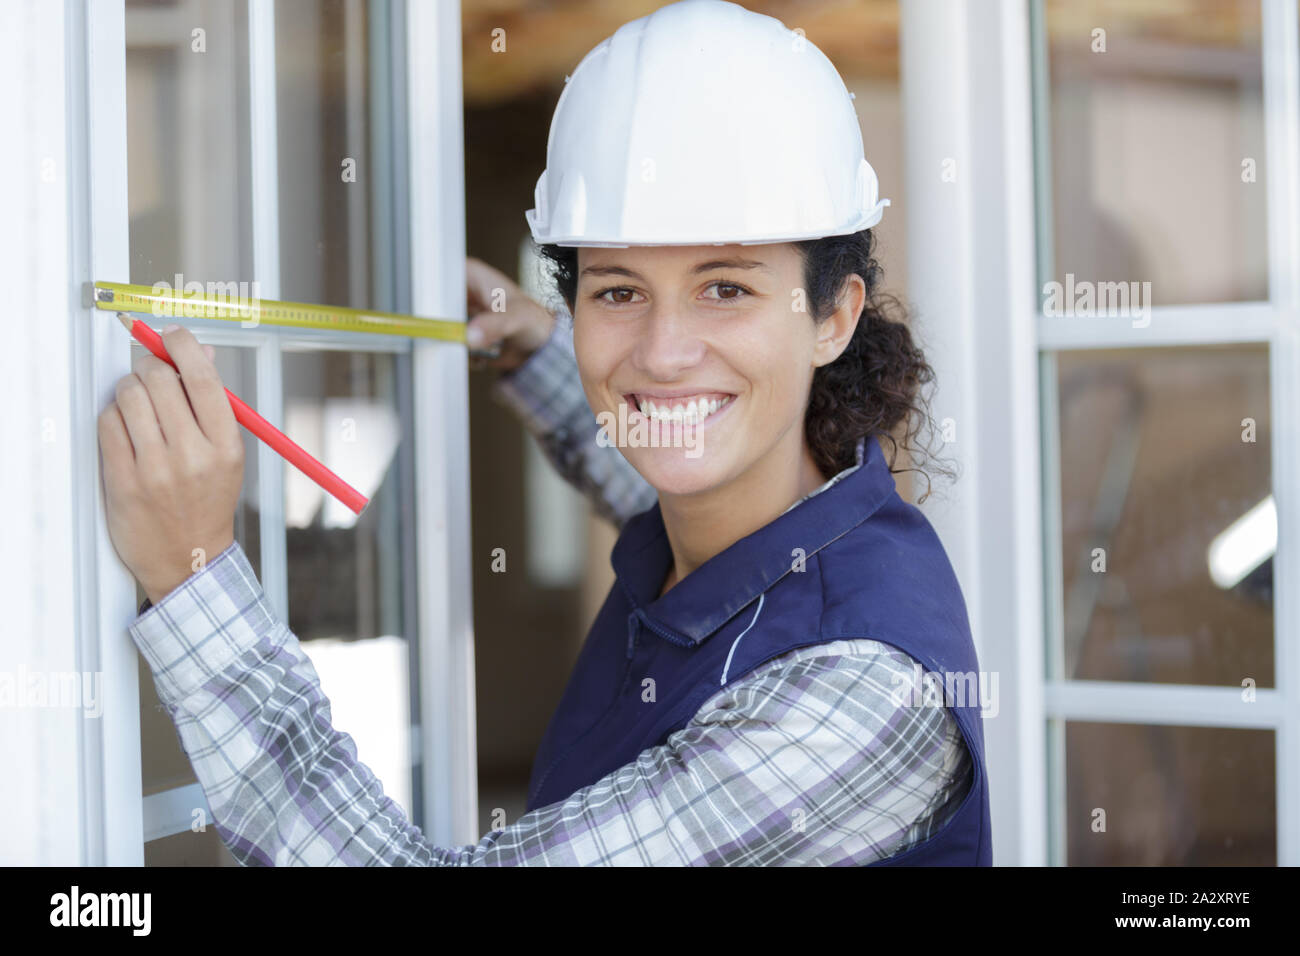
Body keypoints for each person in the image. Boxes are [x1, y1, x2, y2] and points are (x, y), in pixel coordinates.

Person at [98, 0, 991, 865]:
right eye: (618, 291)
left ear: (834, 316)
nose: (664, 353)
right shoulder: (757, 518)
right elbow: (653, 475)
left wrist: (192, 576)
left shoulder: (855, 698)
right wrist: (535, 356)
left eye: (726, 288)